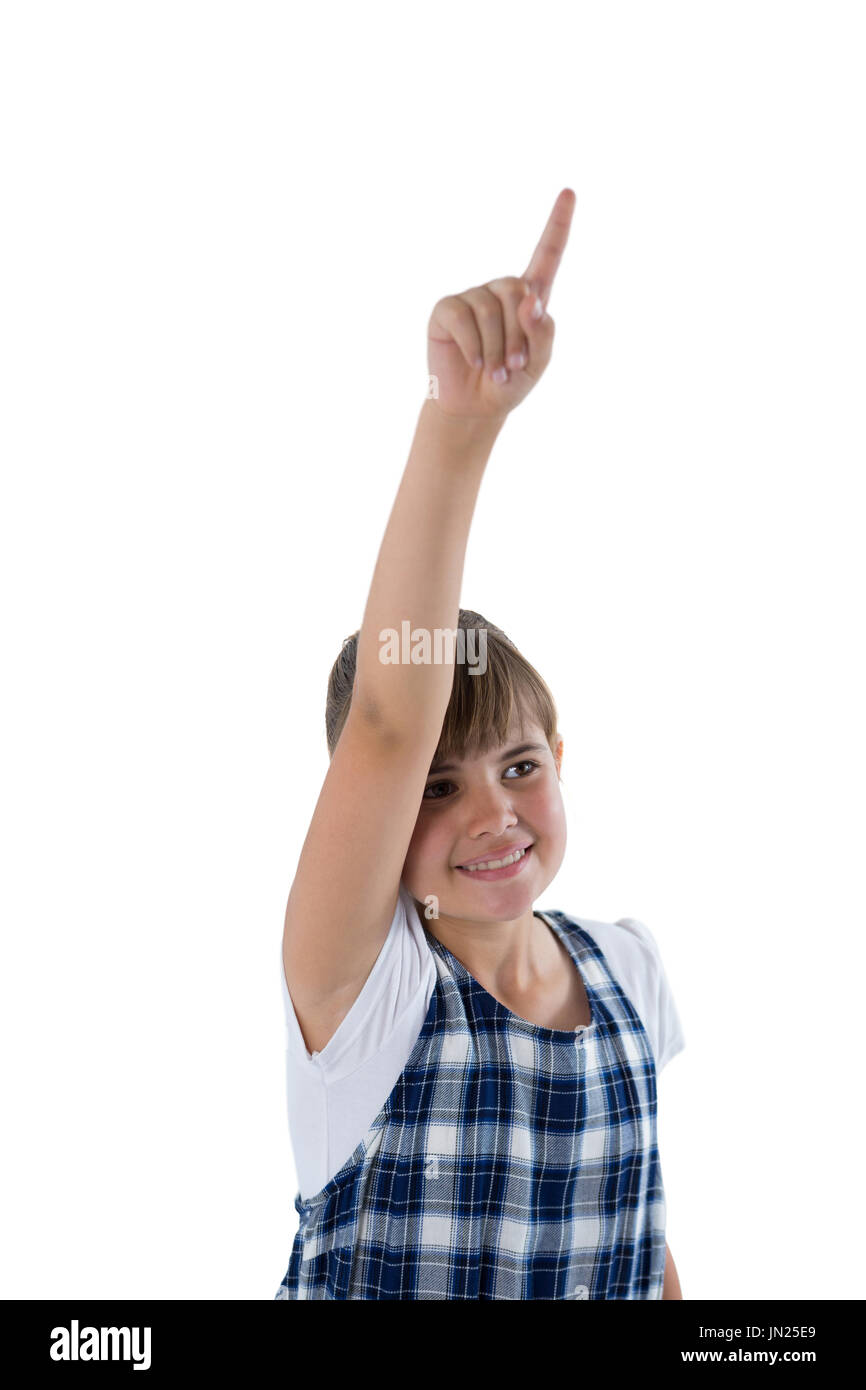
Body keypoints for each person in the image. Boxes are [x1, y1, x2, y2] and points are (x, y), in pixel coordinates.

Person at [274, 188, 685, 1300]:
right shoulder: (363, 995)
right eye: (434, 789)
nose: (492, 812)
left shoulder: (630, 976)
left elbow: (640, 1242)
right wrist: (460, 430)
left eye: (517, 766)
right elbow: (386, 722)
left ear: (560, 752)